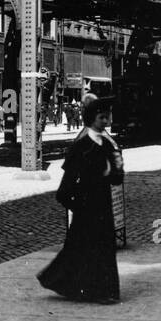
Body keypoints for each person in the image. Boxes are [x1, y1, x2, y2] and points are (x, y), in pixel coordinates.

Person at [37, 95, 123, 304]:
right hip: (87, 206)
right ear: (92, 118)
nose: (106, 122)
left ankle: (103, 291)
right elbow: (64, 189)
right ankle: (95, 291)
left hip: (103, 205)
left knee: (101, 248)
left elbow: (116, 180)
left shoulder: (107, 145)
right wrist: (80, 208)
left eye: (107, 117)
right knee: (84, 249)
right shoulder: (81, 145)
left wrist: (117, 168)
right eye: (102, 118)